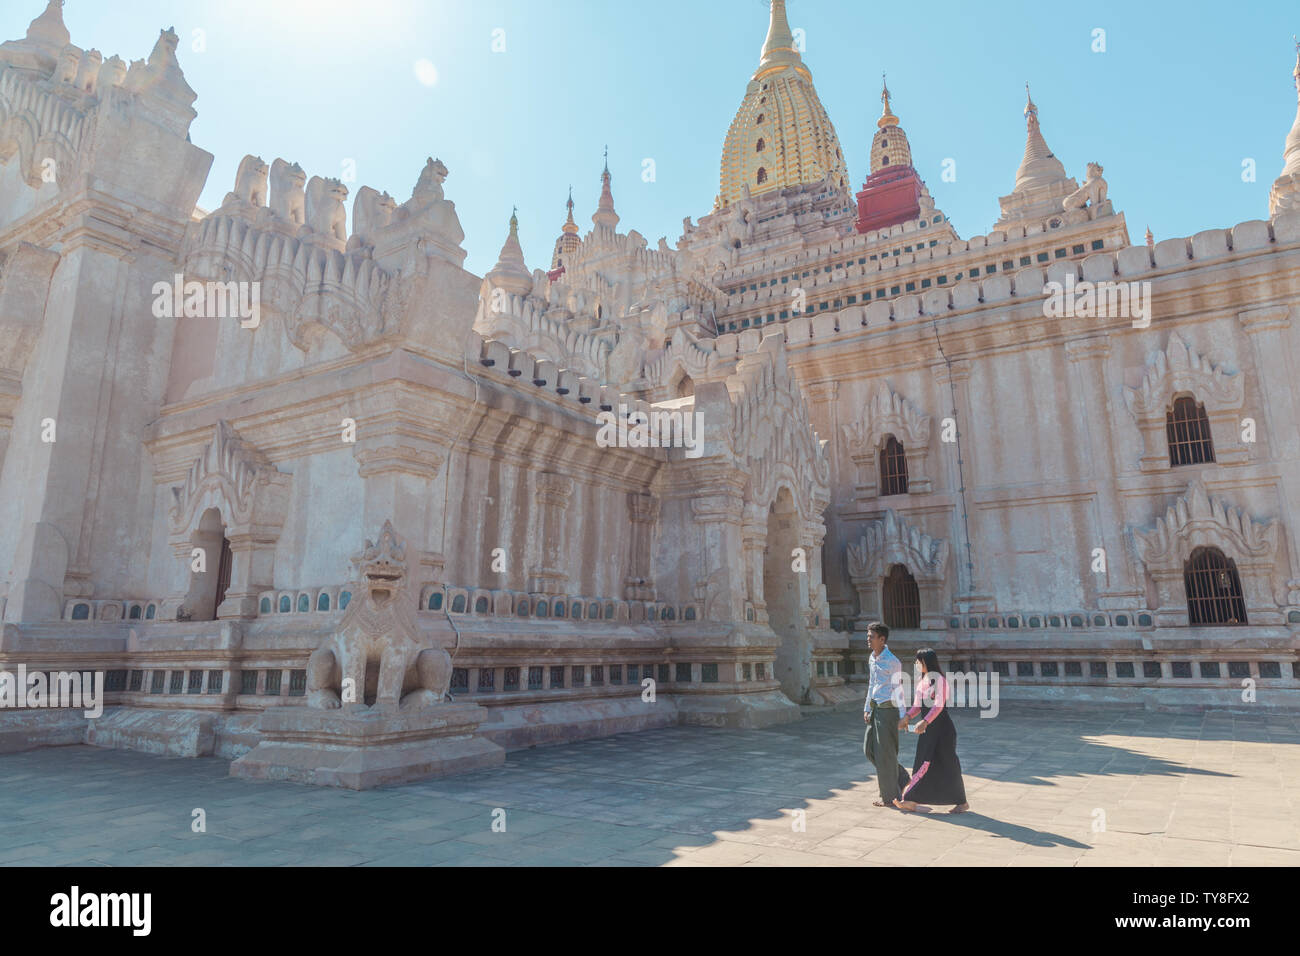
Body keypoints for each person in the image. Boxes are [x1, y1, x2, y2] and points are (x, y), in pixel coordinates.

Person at [894, 648, 969, 814]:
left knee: (949, 765)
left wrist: (925, 721)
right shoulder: (922, 682)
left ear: (926, 662)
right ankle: (911, 799)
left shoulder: (940, 681)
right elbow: (917, 706)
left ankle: (961, 802)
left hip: (942, 730)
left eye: (918, 661)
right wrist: (907, 717)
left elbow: (939, 705)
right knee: (922, 761)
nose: (915, 664)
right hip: (928, 730)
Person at [862, 622, 909, 808]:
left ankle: (889, 797)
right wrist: (867, 708)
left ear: (882, 639)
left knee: (885, 754)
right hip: (875, 709)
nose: (868, 639)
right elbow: (871, 684)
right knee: (869, 750)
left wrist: (903, 716)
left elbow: (899, 689)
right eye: (868, 636)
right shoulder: (872, 658)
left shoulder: (893, 661)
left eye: (871, 636)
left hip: (888, 711)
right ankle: (902, 776)